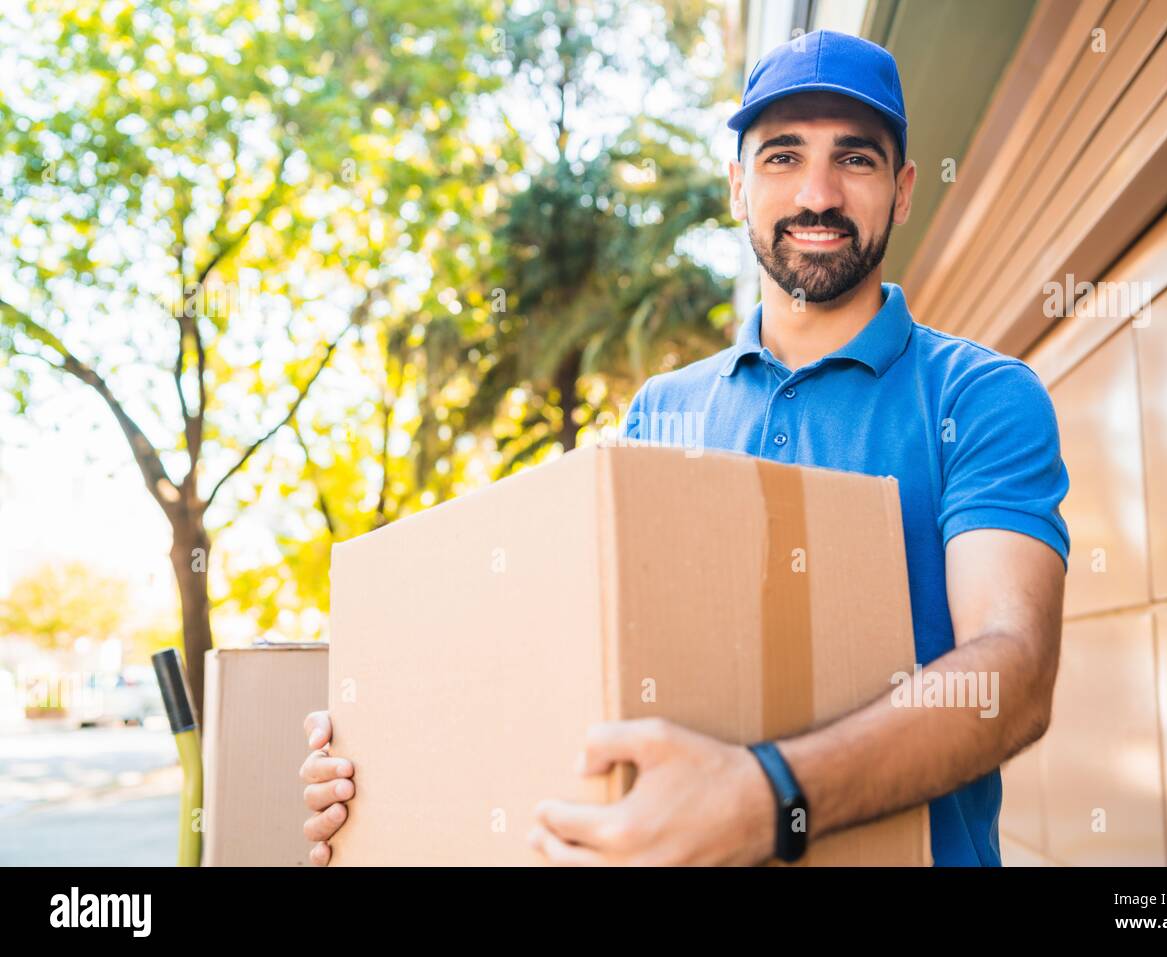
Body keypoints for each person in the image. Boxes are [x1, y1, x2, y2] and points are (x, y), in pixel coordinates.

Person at [301, 29, 1069, 867]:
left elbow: (1012, 675)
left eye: (855, 159)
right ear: (738, 183)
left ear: (904, 188)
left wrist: (764, 798)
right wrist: (388, 762)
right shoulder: (661, 413)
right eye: (782, 157)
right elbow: (581, 675)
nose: (818, 193)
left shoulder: (981, 395)